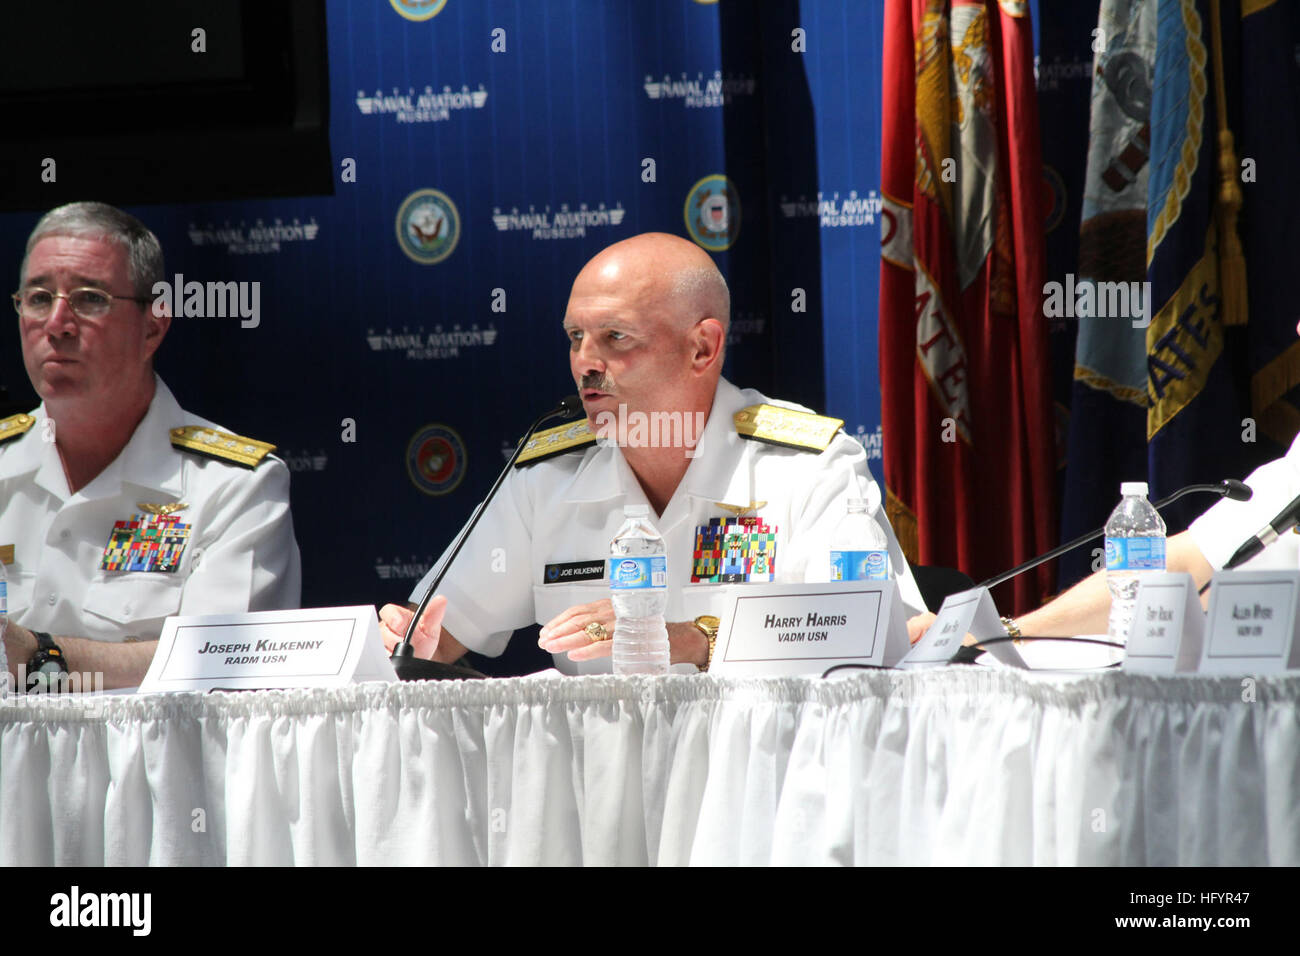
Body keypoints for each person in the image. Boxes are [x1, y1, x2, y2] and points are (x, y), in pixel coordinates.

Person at [379, 232, 924, 674]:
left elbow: (876, 632)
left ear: (702, 348)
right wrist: (408, 635)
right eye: (575, 336)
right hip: (596, 791)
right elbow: (441, 633)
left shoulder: (808, 467)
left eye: (616, 336)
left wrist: (694, 641)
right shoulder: (546, 475)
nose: (584, 362)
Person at [0, 202, 301, 690]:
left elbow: (224, 670)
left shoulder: (234, 485)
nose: (57, 323)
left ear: (154, 326)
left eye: (90, 298)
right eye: (37, 297)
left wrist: (41, 658)